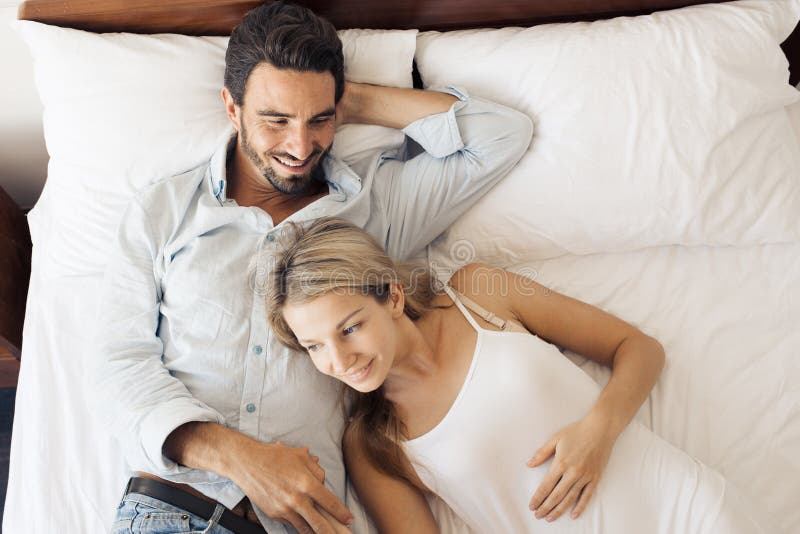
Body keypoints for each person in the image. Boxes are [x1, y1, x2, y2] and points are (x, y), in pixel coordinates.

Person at [91, 1, 532, 533]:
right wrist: (241, 459)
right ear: (232, 108)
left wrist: (356, 100)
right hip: (175, 510)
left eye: (319, 120)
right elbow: (118, 366)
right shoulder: (162, 211)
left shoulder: (375, 208)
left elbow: (502, 135)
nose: (301, 147)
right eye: (276, 120)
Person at [267, 217, 767, 534]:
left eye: (350, 328)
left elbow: (639, 348)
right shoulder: (373, 442)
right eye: (314, 346)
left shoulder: (476, 295)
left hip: (689, 513)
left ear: (393, 297)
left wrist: (599, 432)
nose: (339, 361)